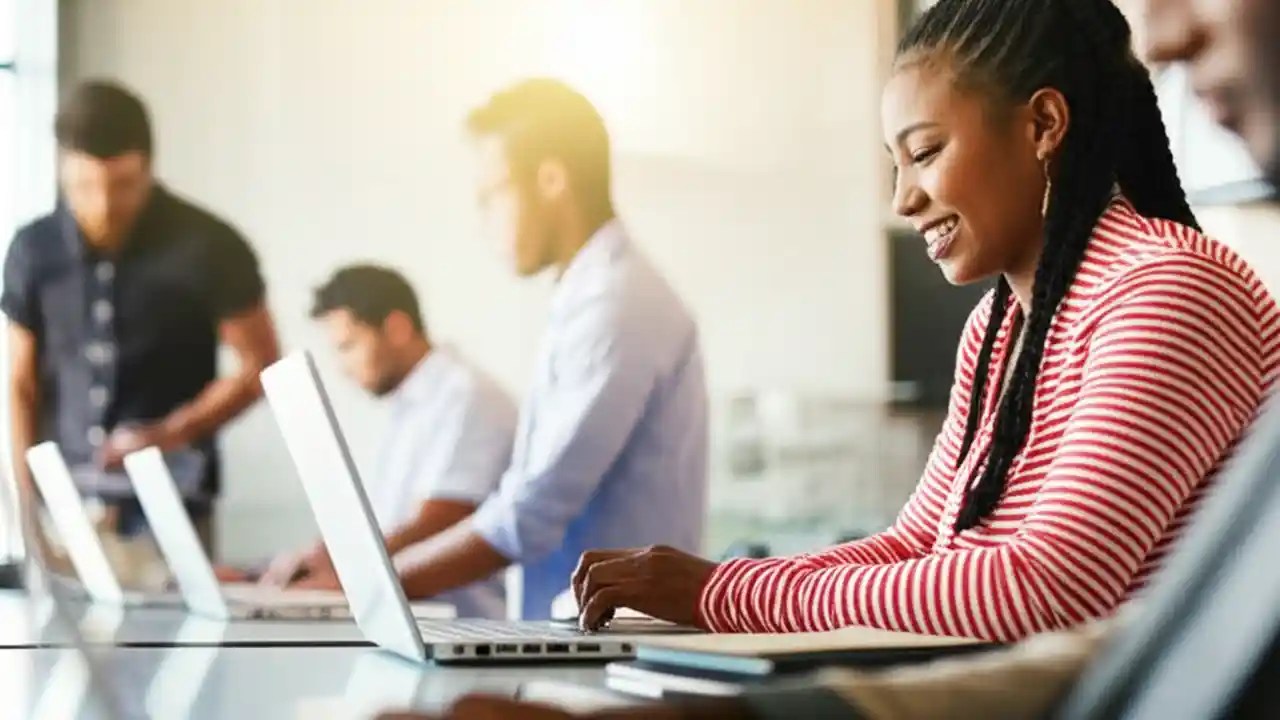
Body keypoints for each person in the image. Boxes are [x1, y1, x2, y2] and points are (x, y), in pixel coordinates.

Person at [381, 0, 1280, 717]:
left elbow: (1040, 593)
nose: (903, 198)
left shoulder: (1168, 288)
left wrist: (720, 595)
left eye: (925, 153)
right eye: (895, 163)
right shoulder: (999, 327)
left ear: (1044, 123)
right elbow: (912, 547)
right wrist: (707, 586)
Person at [384, 79, 708, 621]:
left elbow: (528, 516)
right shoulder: (588, 295)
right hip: (581, 634)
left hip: (613, 646)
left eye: (491, 195)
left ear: (552, 178)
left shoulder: (616, 303)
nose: (482, 220)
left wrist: (377, 587)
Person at [4, 80, 279, 565]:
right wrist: (24, 505)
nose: (104, 207)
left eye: (123, 186)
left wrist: (170, 432)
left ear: (149, 167)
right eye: (84, 188)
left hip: (173, 513)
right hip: (62, 513)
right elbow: (21, 383)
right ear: (62, 170)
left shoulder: (211, 245)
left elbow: (260, 365)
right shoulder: (32, 250)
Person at [244, 265, 517, 619]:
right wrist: (315, 557)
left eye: (348, 346)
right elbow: (386, 526)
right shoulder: (408, 405)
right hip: (402, 615)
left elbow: (442, 520)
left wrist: (342, 569)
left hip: (455, 621)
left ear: (397, 328)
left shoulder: (466, 396)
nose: (342, 367)